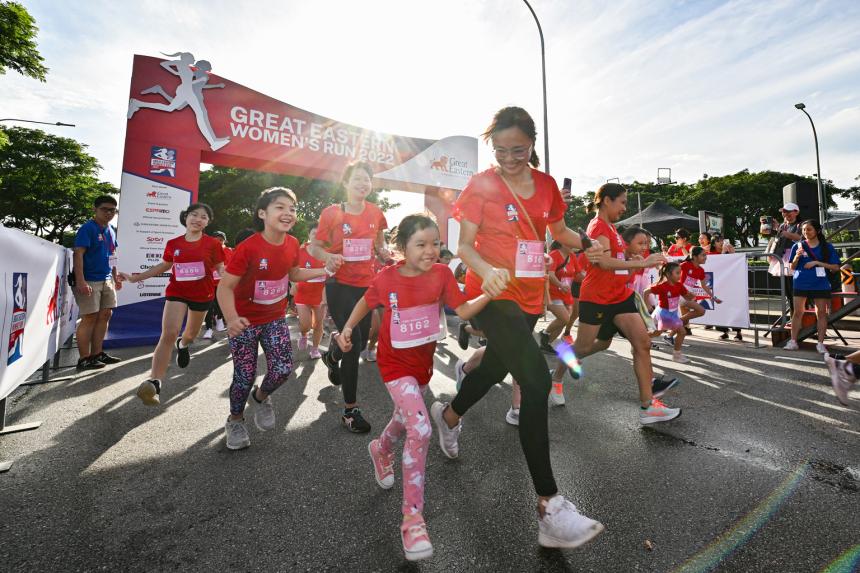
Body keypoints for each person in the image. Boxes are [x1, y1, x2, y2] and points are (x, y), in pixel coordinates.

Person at [430, 106, 604, 549]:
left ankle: (449, 415)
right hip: (489, 294)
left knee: (491, 371)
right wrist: (486, 270)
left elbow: (559, 231)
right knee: (533, 379)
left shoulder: (545, 186)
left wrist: (588, 241)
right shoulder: (481, 185)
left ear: (532, 144)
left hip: (528, 296)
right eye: (501, 149)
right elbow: (464, 245)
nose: (509, 157)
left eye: (519, 149)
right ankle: (550, 506)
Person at [334, 214, 490, 562]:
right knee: (420, 426)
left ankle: (381, 448)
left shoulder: (443, 274)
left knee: (405, 419)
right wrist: (347, 329)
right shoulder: (386, 277)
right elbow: (366, 301)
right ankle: (412, 519)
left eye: (435, 243)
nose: (431, 250)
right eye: (421, 244)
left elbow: (462, 309)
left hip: (422, 368)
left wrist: (489, 296)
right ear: (401, 247)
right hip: (393, 367)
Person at [217, 188, 341, 450]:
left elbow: (294, 273)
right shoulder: (248, 248)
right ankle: (235, 420)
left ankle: (260, 398)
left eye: (292, 209)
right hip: (244, 322)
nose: (288, 213)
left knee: (283, 369)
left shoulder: (293, 243)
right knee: (244, 375)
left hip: (274, 319)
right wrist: (231, 318)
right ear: (262, 213)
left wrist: (325, 269)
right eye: (279, 207)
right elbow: (225, 286)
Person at [569, 183, 682, 423]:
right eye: (621, 202)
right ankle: (557, 370)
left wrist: (633, 259)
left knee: (642, 344)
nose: (624, 207)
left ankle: (647, 407)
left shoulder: (611, 228)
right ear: (607, 201)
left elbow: (616, 263)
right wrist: (640, 263)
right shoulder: (598, 226)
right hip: (597, 298)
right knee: (583, 347)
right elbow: (603, 263)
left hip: (618, 297)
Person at [310, 161, 390, 433]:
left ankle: (332, 356)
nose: (362, 184)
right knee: (353, 343)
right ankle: (350, 410)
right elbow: (315, 247)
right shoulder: (331, 213)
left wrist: (386, 254)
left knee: (355, 339)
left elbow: (380, 245)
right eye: (357, 179)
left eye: (367, 179)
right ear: (345, 183)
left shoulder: (377, 212)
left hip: (365, 287)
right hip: (339, 284)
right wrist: (328, 256)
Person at [118, 203, 224, 406]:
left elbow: (221, 267)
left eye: (203, 217)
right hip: (177, 292)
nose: (198, 219)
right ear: (185, 217)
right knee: (168, 333)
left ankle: (183, 345)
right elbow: (164, 265)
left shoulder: (212, 244)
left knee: (191, 334)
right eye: (194, 215)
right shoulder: (174, 243)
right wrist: (134, 278)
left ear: (207, 223)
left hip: (202, 295)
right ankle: (154, 382)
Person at [72, 195, 122, 370]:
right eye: (104, 209)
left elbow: (112, 254)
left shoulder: (111, 229)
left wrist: (115, 276)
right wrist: (80, 280)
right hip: (89, 280)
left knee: (105, 315)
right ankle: (84, 358)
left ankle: (97, 353)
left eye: (112, 210)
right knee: (89, 318)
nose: (109, 213)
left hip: (106, 278)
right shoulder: (87, 228)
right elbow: (78, 254)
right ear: (95, 209)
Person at [785, 220, 840, 353]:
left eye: (809, 229)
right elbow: (792, 267)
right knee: (798, 312)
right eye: (804, 230)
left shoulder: (827, 247)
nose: (806, 232)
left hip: (820, 284)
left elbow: (836, 267)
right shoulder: (797, 246)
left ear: (817, 231)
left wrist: (817, 262)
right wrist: (797, 257)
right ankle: (793, 341)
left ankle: (820, 343)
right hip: (801, 282)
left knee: (821, 313)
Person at [644, 262, 695, 363]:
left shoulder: (679, 285)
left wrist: (691, 296)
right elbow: (646, 292)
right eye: (677, 273)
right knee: (682, 331)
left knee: (657, 333)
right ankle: (676, 355)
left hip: (672, 314)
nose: (680, 275)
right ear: (668, 274)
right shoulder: (662, 286)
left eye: (680, 272)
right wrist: (647, 305)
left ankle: (640, 339)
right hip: (664, 313)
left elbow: (686, 297)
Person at [293, 226, 328, 359]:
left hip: (320, 295)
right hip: (302, 293)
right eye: (314, 233)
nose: (317, 236)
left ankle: (314, 350)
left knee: (318, 324)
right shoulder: (300, 251)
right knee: (305, 325)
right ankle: (303, 334)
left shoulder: (327, 253)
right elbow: (291, 271)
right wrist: (294, 284)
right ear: (309, 235)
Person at [769, 202, 802, 310]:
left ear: (796, 212)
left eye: (788, 211)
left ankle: (799, 316)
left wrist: (781, 230)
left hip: (795, 257)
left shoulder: (801, 225)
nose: (785, 214)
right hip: (782, 257)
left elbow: (798, 237)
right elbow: (777, 238)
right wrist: (771, 226)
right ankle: (794, 317)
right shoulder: (783, 225)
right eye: (784, 212)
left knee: (796, 290)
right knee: (788, 290)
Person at [203, 231, 232, 339]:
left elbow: (232, 265)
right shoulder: (207, 250)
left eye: (221, 240)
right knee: (209, 305)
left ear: (224, 241)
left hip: (223, 283)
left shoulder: (228, 251)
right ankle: (209, 329)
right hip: (209, 282)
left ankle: (219, 319)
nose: (218, 242)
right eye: (216, 239)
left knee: (221, 304)